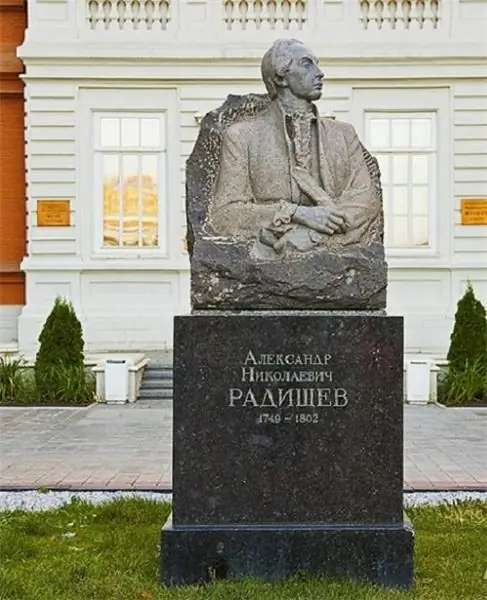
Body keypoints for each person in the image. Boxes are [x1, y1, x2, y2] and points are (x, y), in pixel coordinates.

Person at [209, 38, 381, 255]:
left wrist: (312, 236)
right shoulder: (242, 136)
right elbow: (225, 215)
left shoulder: (344, 135)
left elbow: (366, 201)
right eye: (307, 64)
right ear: (281, 77)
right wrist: (296, 213)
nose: (320, 73)